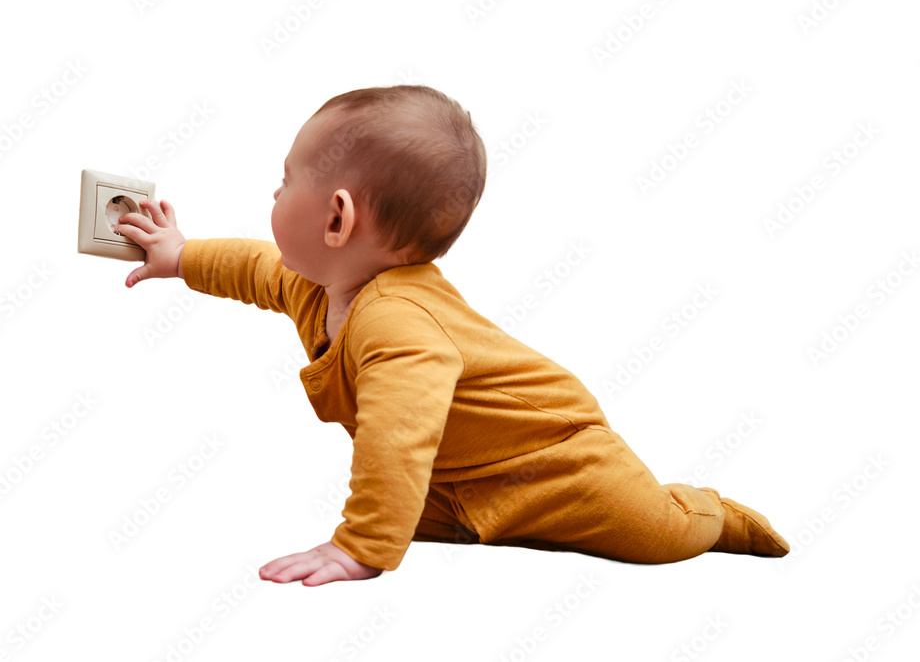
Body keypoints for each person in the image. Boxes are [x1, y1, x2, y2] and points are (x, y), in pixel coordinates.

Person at [115, 85, 790, 587]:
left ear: (336, 219)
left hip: (560, 459)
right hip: (455, 476)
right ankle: (465, 518)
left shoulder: (397, 325)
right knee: (424, 508)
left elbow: (396, 438)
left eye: (287, 180)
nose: (274, 192)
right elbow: (258, 267)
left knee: (655, 534)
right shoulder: (320, 284)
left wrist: (362, 545)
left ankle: (713, 512)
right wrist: (180, 255)